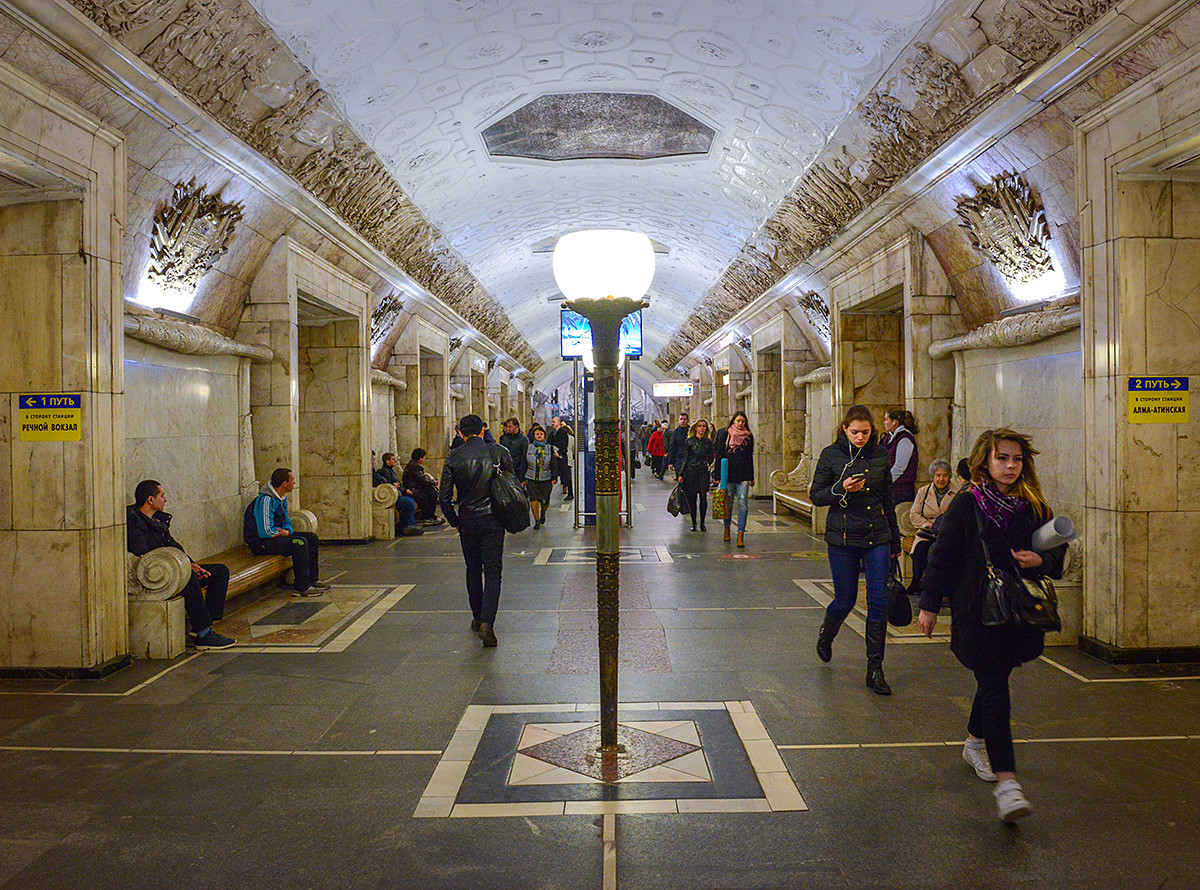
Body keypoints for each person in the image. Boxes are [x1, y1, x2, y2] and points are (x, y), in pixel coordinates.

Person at [918, 429, 1067, 823]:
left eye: (1016, 459)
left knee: (994, 680)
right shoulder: (968, 504)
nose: (1010, 466)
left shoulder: (1032, 505)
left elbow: (1058, 556)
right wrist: (929, 606)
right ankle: (1008, 783)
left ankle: (974, 741)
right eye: (1002, 458)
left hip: (1017, 611)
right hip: (977, 611)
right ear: (986, 461)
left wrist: (1042, 562)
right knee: (996, 689)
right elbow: (942, 556)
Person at [809, 405, 901, 695]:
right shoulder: (831, 455)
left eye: (865, 432)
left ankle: (875, 668)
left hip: (877, 536)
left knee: (878, 601)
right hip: (843, 538)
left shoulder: (880, 455)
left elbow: (888, 499)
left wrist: (895, 542)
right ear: (844, 430)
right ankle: (828, 632)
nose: (860, 437)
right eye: (855, 432)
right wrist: (841, 488)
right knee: (845, 599)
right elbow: (816, 495)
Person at [127, 480, 236, 650]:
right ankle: (204, 634)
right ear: (150, 500)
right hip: (157, 575)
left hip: (172, 569)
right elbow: (145, 556)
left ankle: (205, 623)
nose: (165, 499)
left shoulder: (157, 521)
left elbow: (174, 546)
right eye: (162, 496)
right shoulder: (135, 524)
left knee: (220, 572)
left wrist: (191, 563)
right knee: (189, 578)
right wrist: (184, 567)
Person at [440, 413, 511, 648]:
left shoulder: (454, 456)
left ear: (460, 432)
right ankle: (488, 623)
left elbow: (444, 497)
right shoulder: (499, 452)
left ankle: (477, 616)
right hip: (493, 520)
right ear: (482, 430)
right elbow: (511, 485)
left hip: (468, 520)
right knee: (493, 572)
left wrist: (454, 520)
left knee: (473, 569)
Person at [244, 467, 332, 595]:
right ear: (284, 483)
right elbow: (265, 531)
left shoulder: (281, 498)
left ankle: (313, 579)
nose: (294, 483)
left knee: (311, 538)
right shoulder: (266, 500)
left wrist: (287, 532)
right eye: (292, 480)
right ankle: (302, 587)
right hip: (261, 543)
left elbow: (287, 522)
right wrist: (281, 533)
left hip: (277, 537)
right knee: (299, 543)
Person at [907, 459, 960, 595]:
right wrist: (929, 525)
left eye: (945, 475)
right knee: (920, 549)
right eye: (938, 475)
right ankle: (916, 581)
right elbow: (914, 514)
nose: (941, 479)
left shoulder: (957, 493)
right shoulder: (924, 491)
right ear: (933, 477)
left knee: (937, 552)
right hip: (927, 533)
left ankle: (935, 586)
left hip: (947, 534)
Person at [713, 410, 755, 548]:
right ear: (733, 421)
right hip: (728, 474)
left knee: (743, 502)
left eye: (743, 421)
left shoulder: (748, 438)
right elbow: (719, 455)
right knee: (728, 502)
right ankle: (726, 528)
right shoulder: (725, 434)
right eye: (738, 421)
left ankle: (740, 533)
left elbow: (750, 458)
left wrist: (752, 476)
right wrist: (717, 475)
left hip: (743, 475)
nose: (740, 424)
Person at [883, 408, 920, 540]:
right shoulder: (889, 437)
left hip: (901, 491)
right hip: (891, 489)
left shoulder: (905, 439)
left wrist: (884, 482)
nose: (884, 423)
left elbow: (899, 467)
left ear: (894, 422)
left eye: (886, 420)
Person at [677, 419, 716, 532]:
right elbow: (685, 458)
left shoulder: (708, 442)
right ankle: (694, 522)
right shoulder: (689, 441)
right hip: (690, 471)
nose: (702, 428)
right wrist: (681, 474)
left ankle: (702, 523)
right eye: (700, 426)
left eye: (704, 426)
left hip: (703, 471)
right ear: (695, 428)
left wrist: (712, 472)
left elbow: (710, 458)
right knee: (692, 498)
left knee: (703, 496)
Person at [373, 452, 424, 535]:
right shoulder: (384, 471)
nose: (395, 461)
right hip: (392, 496)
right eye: (393, 459)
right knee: (409, 503)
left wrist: (404, 490)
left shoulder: (391, 470)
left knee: (417, 497)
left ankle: (410, 523)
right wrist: (394, 486)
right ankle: (406, 526)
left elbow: (398, 484)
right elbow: (388, 484)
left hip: (397, 494)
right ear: (387, 461)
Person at [402, 448, 445, 525]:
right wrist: (433, 482)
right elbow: (421, 479)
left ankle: (431, 516)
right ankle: (427, 517)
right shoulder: (414, 466)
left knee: (432, 493)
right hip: (413, 490)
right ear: (420, 458)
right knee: (426, 496)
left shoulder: (413, 465)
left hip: (416, 488)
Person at [525, 424, 555, 530]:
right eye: (537, 434)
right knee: (533, 498)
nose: (539, 436)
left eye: (541, 434)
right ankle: (537, 520)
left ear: (544, 435)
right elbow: (524, 462)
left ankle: (543, 513)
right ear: (534, 436)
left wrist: (554, 477)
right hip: (531, 477)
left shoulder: (549, 448)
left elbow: (553, 463)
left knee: (545, 500)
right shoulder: (529, 447)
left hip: (545, 477)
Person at [549, 416, 574, 501]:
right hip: (554, 457)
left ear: (559, 422)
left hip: (561, 457)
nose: (552, 423)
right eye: (552, 422)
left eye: (554, 422)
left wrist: (558, 453)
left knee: (566, 474)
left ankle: (570, 492)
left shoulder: (563, 433)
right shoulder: (551, 434)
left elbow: (564, 446)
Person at [499, 417, 529, 484]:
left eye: (510, 426)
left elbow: (524, 458)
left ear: (516, 426)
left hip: (518, 471)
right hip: (506, 471)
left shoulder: (523, 440)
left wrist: (523, 476)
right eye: (507, 427)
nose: (508, 429)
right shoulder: (503, 438)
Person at [665, 412, 690, 477]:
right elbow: (672, 447)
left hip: (690, 460)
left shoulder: (691, 431)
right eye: (681, 419)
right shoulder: (675, 433)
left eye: (684, 419)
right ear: (678, 421)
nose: (683, 421)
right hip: (679, 459)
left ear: (687, 420)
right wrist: (670, 462)